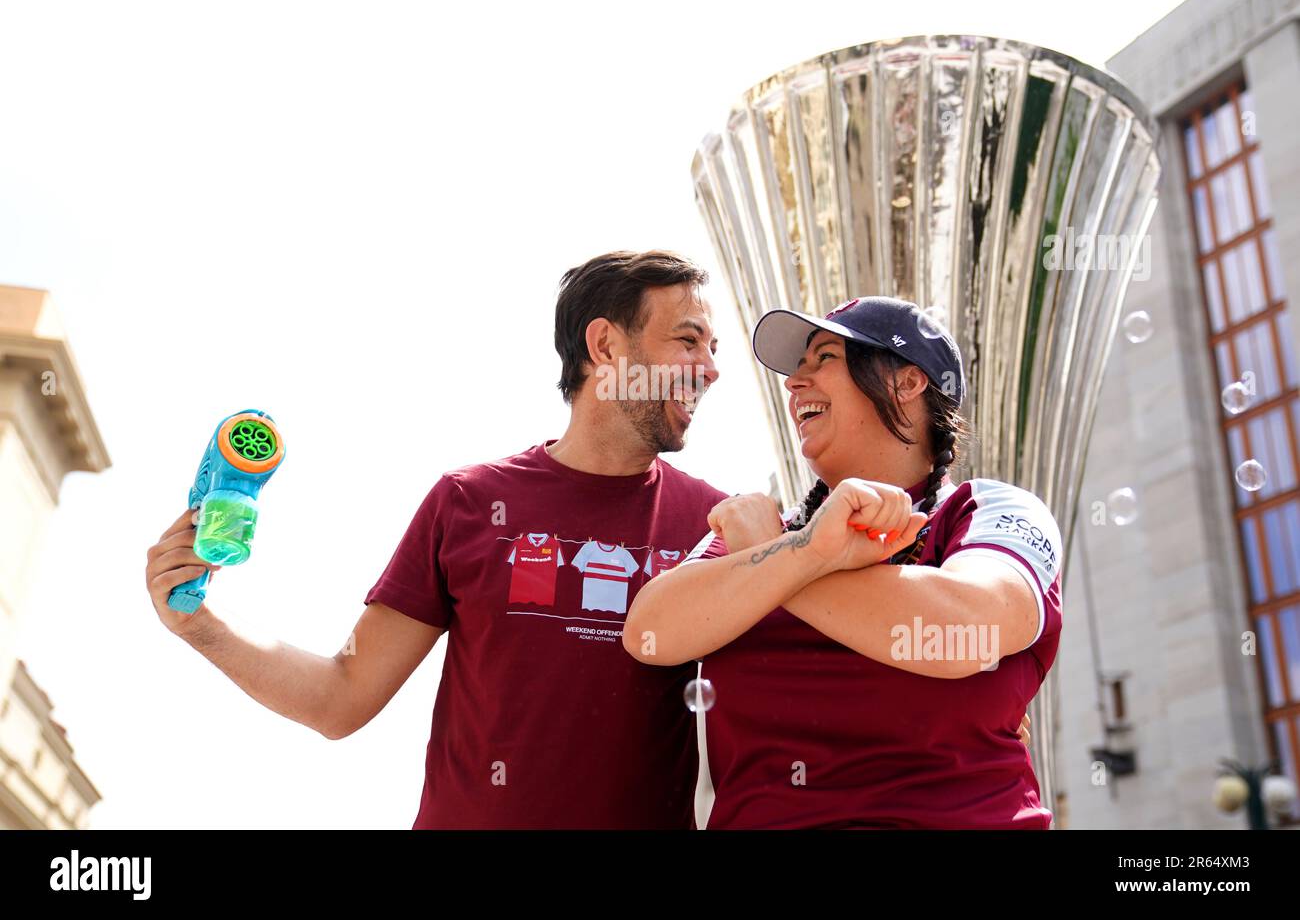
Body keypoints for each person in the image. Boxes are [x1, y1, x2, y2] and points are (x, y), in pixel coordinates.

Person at [144, 250, 728, 828]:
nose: (709, 368)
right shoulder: (468, 502)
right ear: (605, 347)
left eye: (713, 349)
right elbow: (341, 697)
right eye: (688, 340)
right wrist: (203, 626)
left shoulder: (718, 526)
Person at [624, 295, 1063, 829]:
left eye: (825, 358)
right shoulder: (771, 531)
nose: (793, 383)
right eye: (797, 366)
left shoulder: (985, 509)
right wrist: (805, 550)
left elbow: (967, 625)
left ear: (907, 383)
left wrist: (782, 561)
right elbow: (650, 632)